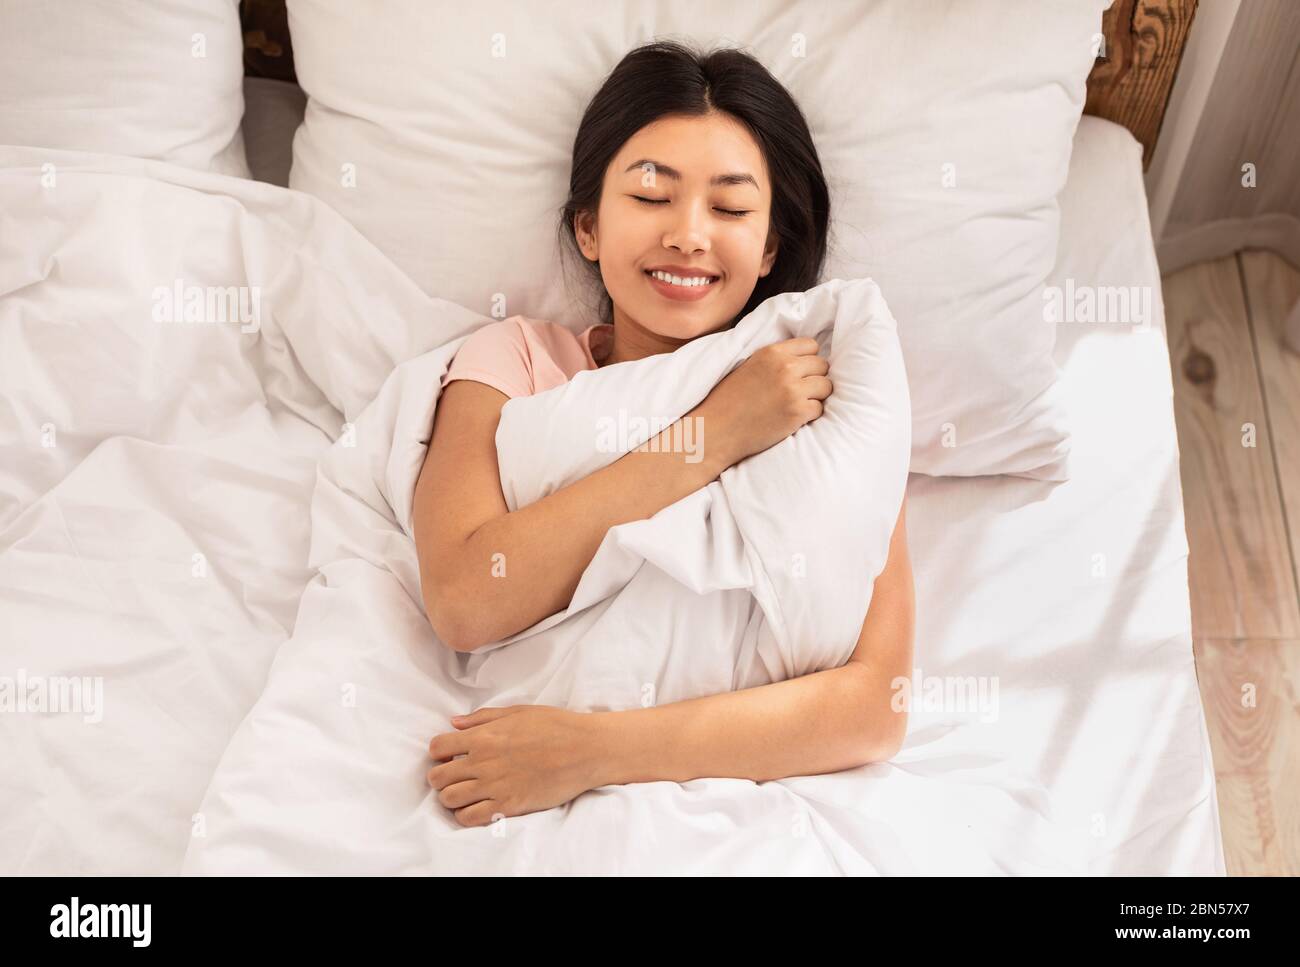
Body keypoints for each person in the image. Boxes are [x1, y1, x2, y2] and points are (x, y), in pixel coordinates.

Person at [414, 40, 913, 828]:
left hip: (726, 806)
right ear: (587, 226)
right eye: (652, 196)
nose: (688, 234)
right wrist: (713, 436)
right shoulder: (510, 360)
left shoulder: (827, 384)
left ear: (770, 248)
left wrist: (592, 751)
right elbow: (465, 599)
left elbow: (874, 705)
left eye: (731, 207)